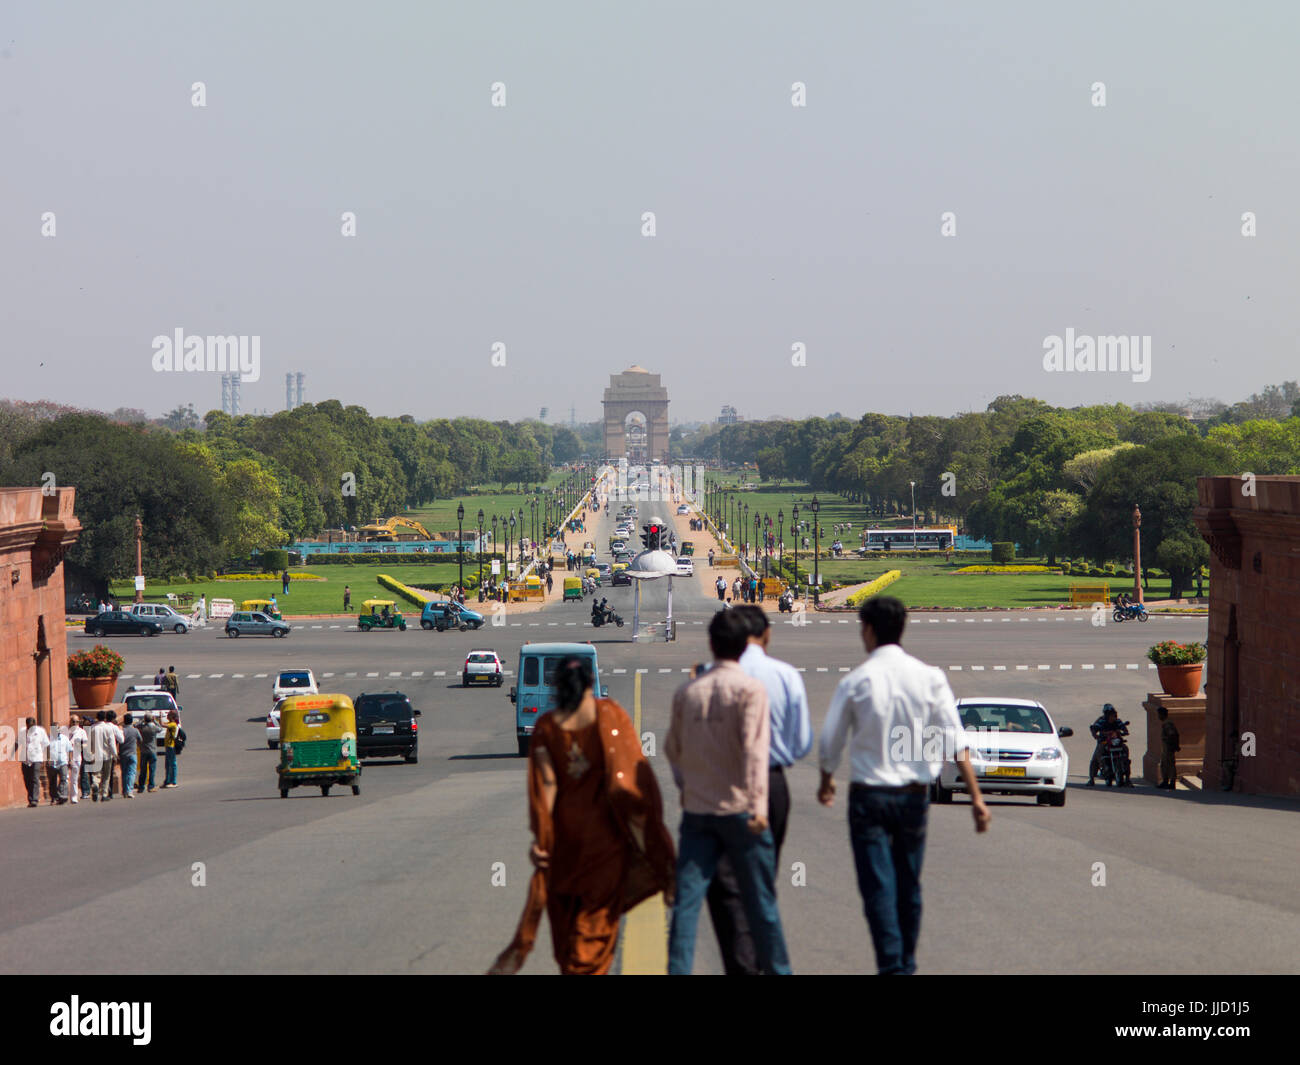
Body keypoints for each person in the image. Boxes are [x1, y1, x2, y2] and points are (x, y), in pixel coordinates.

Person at [818, 595, 991, 975]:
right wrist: (977, 799)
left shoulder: (856, 680)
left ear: (867, 630)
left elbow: (830, 740)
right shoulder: (930, 678)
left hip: (868, 797)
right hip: (914, 797)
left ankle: (891, 966)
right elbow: (956, 740)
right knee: (908, 883)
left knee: (878, 887)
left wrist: (827, 780)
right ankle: (906, 964)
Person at [490, 657, 675, 975]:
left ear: (558, 688)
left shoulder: (547, 727)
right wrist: (653, 849)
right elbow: (627, 788)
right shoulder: (610, 714)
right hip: (603, 853)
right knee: (591, 942)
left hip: (563, 849)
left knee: (567, 944)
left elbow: (545, 787)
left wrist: (542, 841)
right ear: (591, 684)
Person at [665, 609, 791, 975]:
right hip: (741, 810)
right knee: (762, 905)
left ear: (711, 644)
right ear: (745, 646)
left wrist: (687, 787)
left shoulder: (688, 691)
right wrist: (759, 804)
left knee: (686, 908)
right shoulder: (752, 690)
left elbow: (673, 751)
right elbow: (755, 749)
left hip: (699, 813)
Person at [707, 606, 812, 975]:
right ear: (765, 635)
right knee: (764, 880)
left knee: (726, 887)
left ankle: (744, 964)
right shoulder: (784, 674)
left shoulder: (710, 678)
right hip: (774, 783)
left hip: (724, 786)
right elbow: (801, 744)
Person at [1087, 704, 1127, 786]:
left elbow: (1123, 727)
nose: (1112, 716)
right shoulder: (1101, 721)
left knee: (1125, 749)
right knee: (1096, 757)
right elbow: (1094, 728)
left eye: (1113, 714)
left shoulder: (1117, 721)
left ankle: (1127, 777)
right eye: (1109, 714)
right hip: (1104, 742)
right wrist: (1096, 735)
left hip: (1116, 742)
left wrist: (1124, 731)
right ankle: (1091, 779)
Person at [18, 717, 49, 808]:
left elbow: (46, 744)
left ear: (34, 724)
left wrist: (45, 757)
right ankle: (30, 798)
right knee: (27, 779)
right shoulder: (22, 731)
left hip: (36, 758)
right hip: (25, 759)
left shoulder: (40, 731)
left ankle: (34, 799)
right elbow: (17, 742)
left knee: (34, 778)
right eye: (28, 726)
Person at [88, 711, 119, 802]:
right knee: (106, 775)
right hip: (106, 755)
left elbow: (89, 743)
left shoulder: (92, 728)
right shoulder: (108, 728)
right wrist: (115, 755)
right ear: (105, 718)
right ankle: (104, 794)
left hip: (96, 755)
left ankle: (95, 784)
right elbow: (112, 743)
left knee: (96, 774)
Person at [1157, 707, 1181, 789]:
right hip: (1166, 748)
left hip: (1168, 748)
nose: (1158, 716)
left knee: (1169, 765)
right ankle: (1166, 781)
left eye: (1159, 714)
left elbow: (1172, 735)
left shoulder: (1167, 724)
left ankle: (1171, 782)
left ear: (1162, 715)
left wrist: (1174, 746)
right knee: (1165, 764)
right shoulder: (1166, 723)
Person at [47, 724, 72, 805]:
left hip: (63, 762)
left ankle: (63, 796)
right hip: (52, 763)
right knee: (52, 781)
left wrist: (70, 760)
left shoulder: (64, 738)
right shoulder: (48, 738)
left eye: (57, 728)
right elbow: (45, 750)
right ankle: (54, 797)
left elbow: (69, 749)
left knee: (63, 779)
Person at [119, 713, 141, 799]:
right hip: (132, 753)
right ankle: (129, 790)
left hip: (123, 754)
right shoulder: (135, 731)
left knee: (124, 773)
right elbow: (140, 739)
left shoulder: (122, 730)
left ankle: (125, 790)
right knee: (131, 773)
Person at [137, 714, 159, 793]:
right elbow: (160, 728)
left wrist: (142, 721)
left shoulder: (142, 727)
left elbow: (136, 725)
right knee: (152, 769)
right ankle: (151, 786)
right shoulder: (154, 728)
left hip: (144, 750)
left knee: (143, 770)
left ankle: (141, 787)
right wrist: (155, 721)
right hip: (152, 750)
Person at [163, 710, 185, 788]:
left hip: (171, 746)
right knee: (168, 764)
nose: (167, 716)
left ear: (172, 717)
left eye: (168, 715)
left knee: (172, 764)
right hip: (168, 746)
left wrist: (159, 717)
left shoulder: (173, 724)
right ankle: (168, 780)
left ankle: (173, 781)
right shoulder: (170, 723)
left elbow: (162, 725)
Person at [69, 716, 89, 803]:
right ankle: (63, 796)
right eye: (73, 721)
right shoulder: (65, 731)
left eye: (77, 722)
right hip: (65, 758)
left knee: (74, 778)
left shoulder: (81, 732)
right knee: (65, 778)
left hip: (76, 757)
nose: (75, 724)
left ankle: (74, 797)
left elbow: (85, 744)